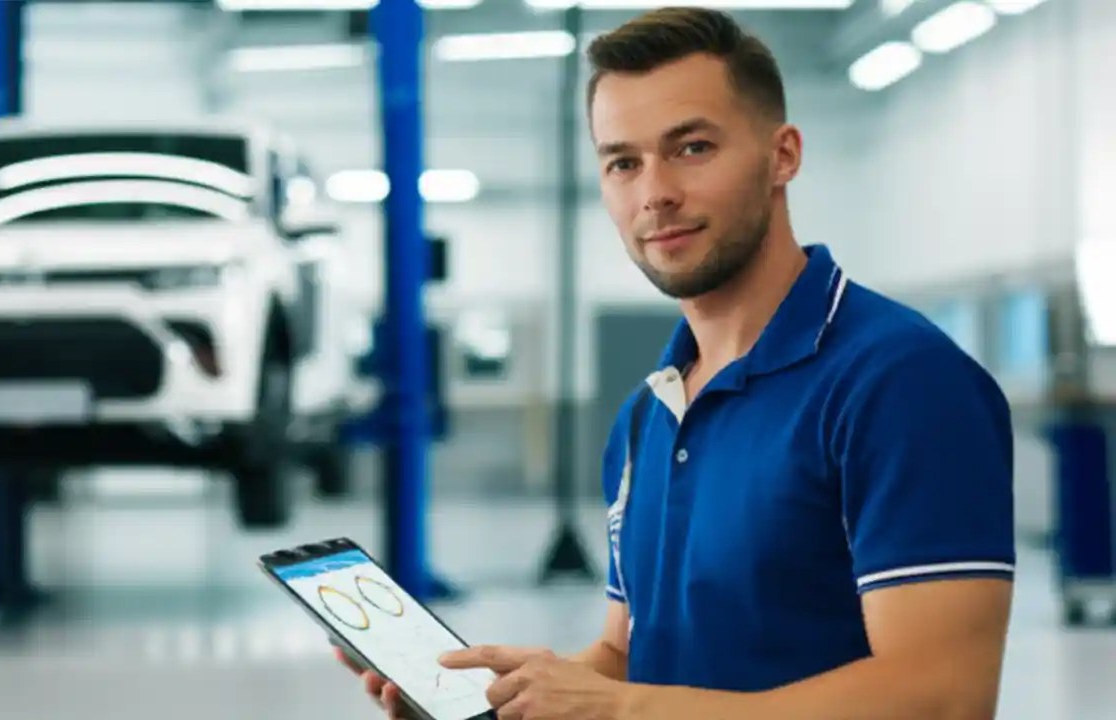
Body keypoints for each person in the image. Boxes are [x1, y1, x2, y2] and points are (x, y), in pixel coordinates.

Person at [337, 7, 1016, 719]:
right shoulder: (647, 417)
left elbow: (943, 697)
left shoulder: (901, 384)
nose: (654, 192)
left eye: (691, 148)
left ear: (782, 155)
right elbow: (628, 656)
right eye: (622, 162)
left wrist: (620, 711)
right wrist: (495, 699)